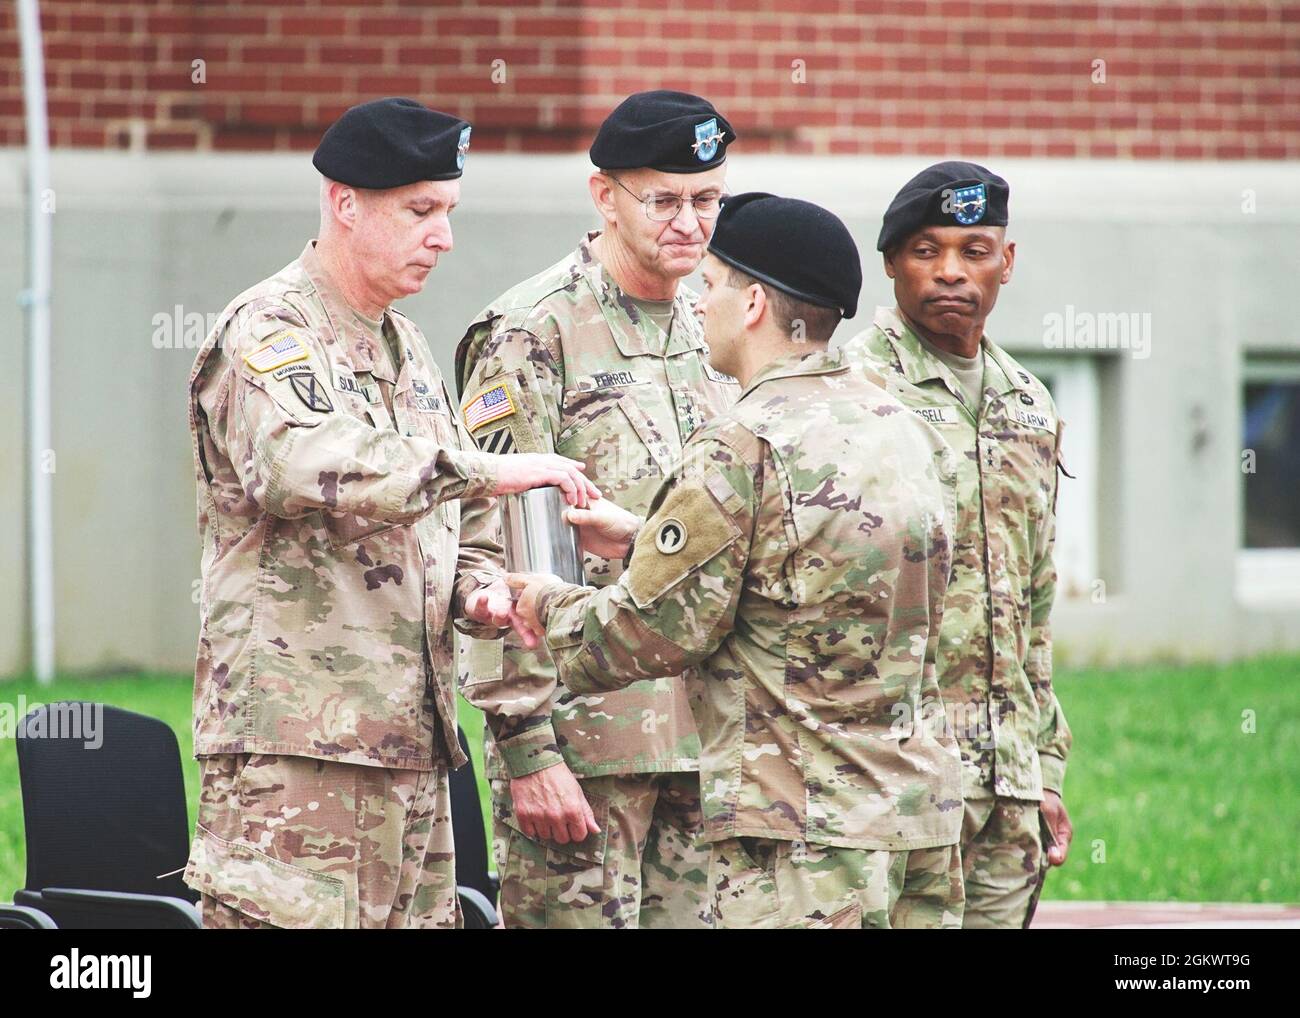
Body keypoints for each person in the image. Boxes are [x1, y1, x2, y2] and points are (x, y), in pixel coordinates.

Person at [181, 97, 597, 930]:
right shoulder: (270, 328)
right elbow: (299, 462)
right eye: (420, 211)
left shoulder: (407, 351)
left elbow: (459, 530)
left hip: (412, 749)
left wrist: (477, 593)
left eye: (447, 212)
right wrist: (490, 465)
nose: (443, 236)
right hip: (301, 753)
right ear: (345, 202)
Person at [509, 193, 966, 929]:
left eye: (712, 286)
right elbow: (813, 566)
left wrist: (540, 601)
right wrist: (642, 538)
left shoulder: (744, 443)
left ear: (753, 303)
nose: (699, 306)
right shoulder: (902, 427)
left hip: (800, 839)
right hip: (919, 821)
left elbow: (643, 631)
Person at [454, 90, 740, 929]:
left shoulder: (718, 321)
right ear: (603, 195)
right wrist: (526, 748)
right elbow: (495, 544)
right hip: (585, 749)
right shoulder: (533, 331)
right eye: (665, 200)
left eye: (708, 199)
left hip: (711, 743)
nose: (690, 223)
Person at [840, 161, 1073, 928]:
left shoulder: (1027, 404)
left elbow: (1032, 599)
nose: (950, 272)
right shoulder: (848, 391)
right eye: (925, 250)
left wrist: (1045, 767)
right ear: (889, 264)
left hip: (1005, 786)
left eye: (974, 250)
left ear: (1007, 261)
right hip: (892, 776)